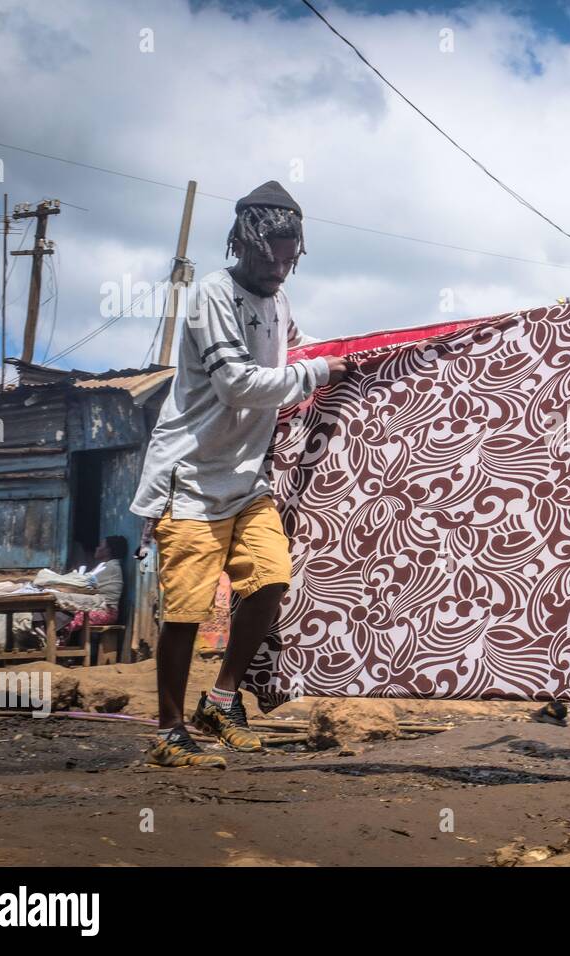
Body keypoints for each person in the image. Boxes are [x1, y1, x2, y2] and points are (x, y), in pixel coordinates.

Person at [130, 181, 350, 769]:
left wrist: (349, 360)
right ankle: (170, 729)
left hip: (247, 482)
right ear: (242, 242)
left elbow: (294, 356)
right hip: (191, 480)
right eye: (267, 255)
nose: (278, 268)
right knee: (185, 612)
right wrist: (320, 374)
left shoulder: (278, 302)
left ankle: (221, 701)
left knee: (272, 580)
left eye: (288, 258)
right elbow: (238, 384)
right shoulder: (211, 295)